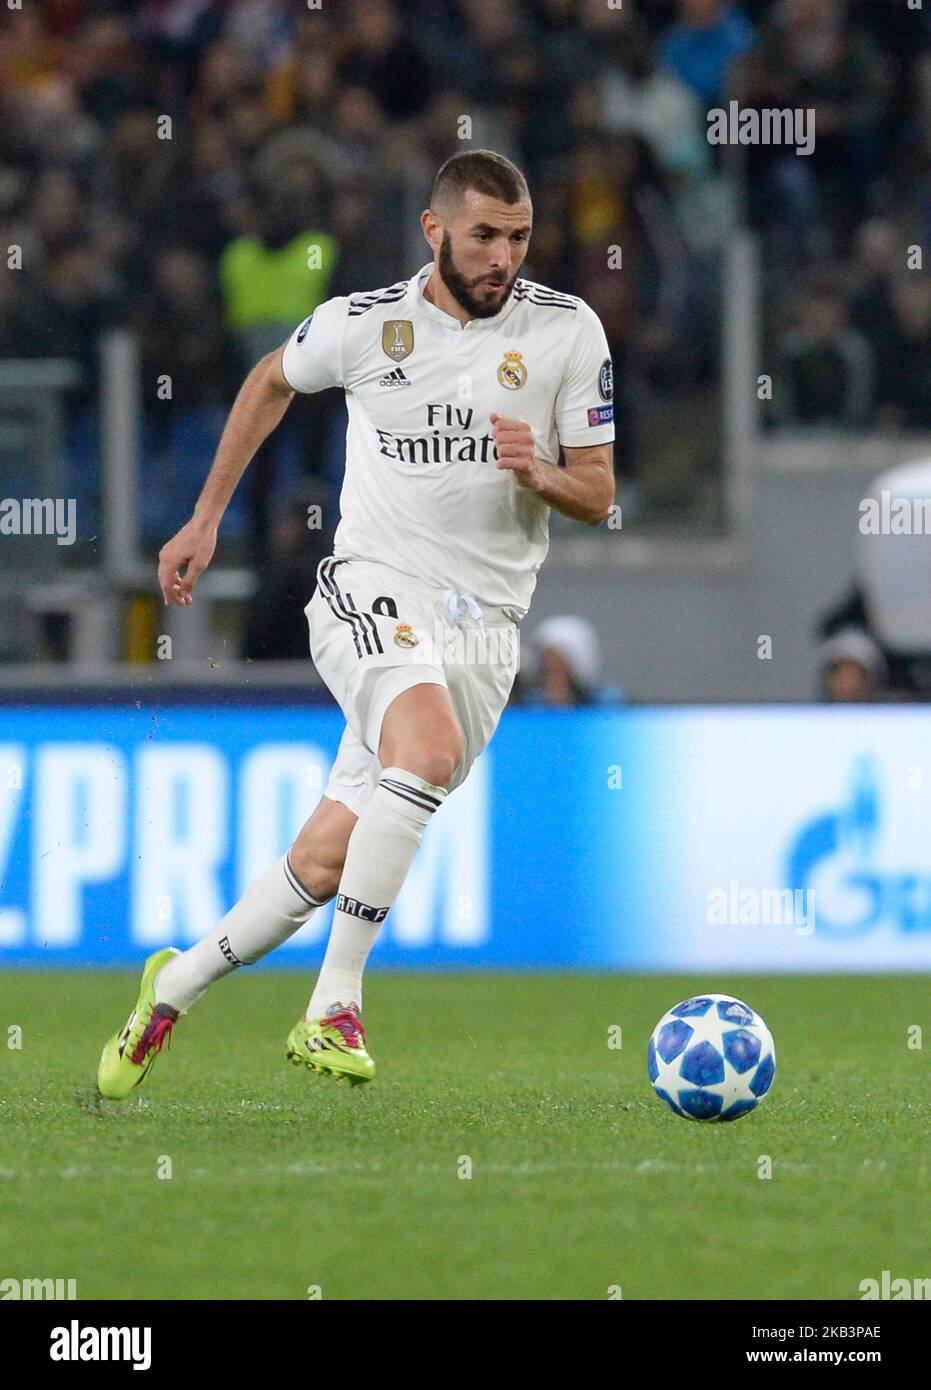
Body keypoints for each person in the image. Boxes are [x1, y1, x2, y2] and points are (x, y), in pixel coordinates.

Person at [97, 149, 615, 1097]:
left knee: (325, 858)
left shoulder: (568, 333)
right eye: (483, 236)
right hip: (371, 587)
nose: (502, 256)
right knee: (421, 751)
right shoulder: (365, 325)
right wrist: (206, 517)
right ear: (435, 231)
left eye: (518, 237)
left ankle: (167, 991)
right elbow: (268, 382)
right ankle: (334, 1005)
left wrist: (543, 474)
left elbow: (598, 487)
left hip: (485, 629)